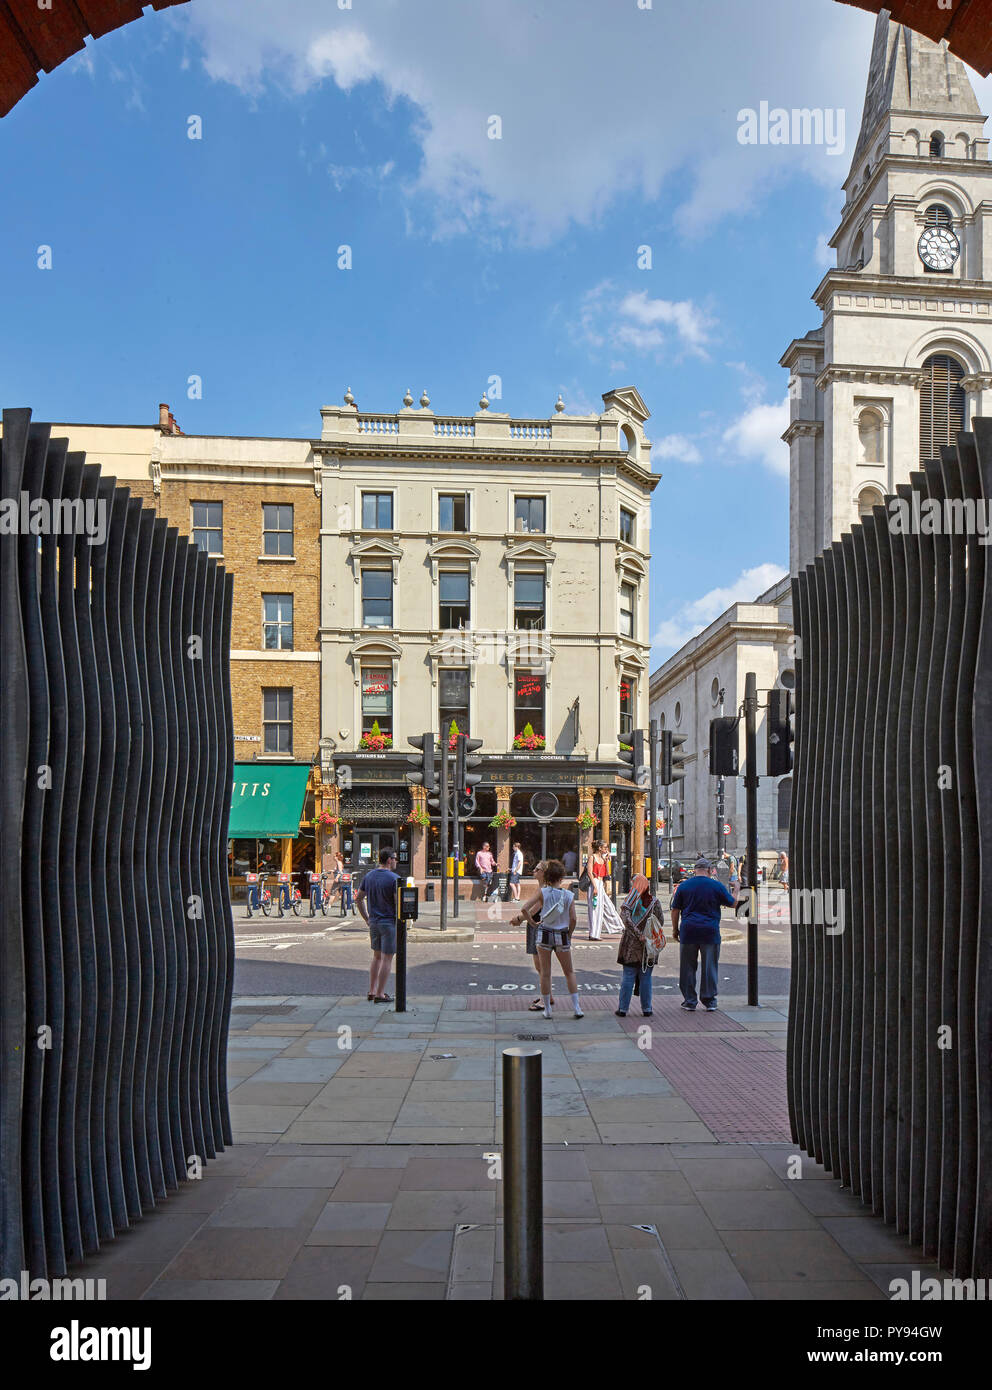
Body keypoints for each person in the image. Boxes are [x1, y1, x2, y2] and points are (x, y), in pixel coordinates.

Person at [515, 859, 583, 1019]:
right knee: (569, 972)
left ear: (547, 877)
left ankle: (547, 1010)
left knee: (545, 973)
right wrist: (570, 934)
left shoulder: (543, 892)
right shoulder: (569, 895)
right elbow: (573, 919)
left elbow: (525, 909)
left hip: (544, 933)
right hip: (562, 934)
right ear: (562, 878)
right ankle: (577, 1007)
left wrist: (532, 922)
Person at [670, 856, 735, 1012]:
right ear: (709, 870)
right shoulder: (716, 886)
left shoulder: (684, 886)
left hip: (689, 930)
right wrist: (738, 889)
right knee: (710, 967)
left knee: (687, 967)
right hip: (710, 931)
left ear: (694, 871)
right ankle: (709, 1000)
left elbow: (675, 910)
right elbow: (733, 903)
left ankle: (690, 1001)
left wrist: (675, 930)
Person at [615, 874, 666, 1017]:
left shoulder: (631, 900)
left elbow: (625, 918)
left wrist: (637, 934)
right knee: (646, 977)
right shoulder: (654, 902)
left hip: (631, 944)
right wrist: (646, 934)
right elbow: (660, 921)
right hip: (649, 945)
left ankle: (623, 1009)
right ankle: (647, 1009)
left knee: (628, 976)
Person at [355, 846, 399, 1003]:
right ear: (388, 860)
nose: (396, 861)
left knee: (376, 957)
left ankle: (372, 991)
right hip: (389, 922)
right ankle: (380, 994)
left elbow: (358, 899)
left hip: (373, 922)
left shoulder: (369, 876)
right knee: (387, 958)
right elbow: (398, 903)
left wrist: (366, 918)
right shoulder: (394, 878)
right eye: (394, 858)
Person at [510, 859, 554, 1012]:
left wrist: (518, 919)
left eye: (537, 869)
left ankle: (544, 999)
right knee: (540, 966)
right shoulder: (542, 887)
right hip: (536, 925)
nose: (534, 871)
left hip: (538, 926)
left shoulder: (544, 888)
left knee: (541, 966)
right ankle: (549, 995)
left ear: (544, 873)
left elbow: (535, 908)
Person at [586, 841, 612, 940]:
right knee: (594, 909)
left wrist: (607, 860)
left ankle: (616, 927)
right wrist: (595, 887)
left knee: (603, 908)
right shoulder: (592, 857)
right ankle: (593, 934)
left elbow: (607, 873)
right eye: (605, 847)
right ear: (600, 848)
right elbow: (589, 873)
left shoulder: (602, 858)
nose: (607, 849)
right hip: (594, 884)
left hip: (600, 884)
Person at [332, 850, 355, 916]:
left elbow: (340, 871)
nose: (333, 857)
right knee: (341, 890)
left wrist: (337, 877)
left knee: (335, 891)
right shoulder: (338, 862)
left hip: (339, 878)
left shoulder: (339, 863)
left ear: (337, 857)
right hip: (341, 878)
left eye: (334, 856)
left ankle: (330, 905)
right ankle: (344, 903)